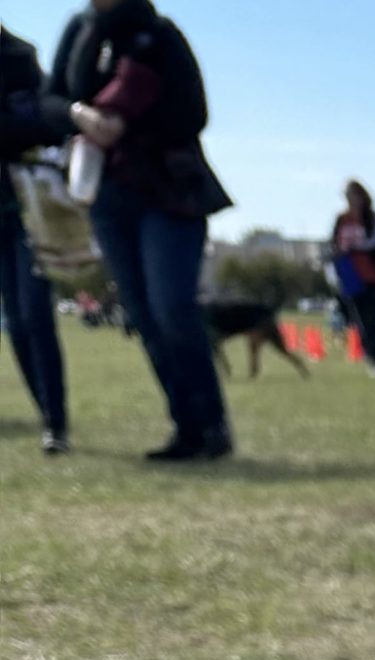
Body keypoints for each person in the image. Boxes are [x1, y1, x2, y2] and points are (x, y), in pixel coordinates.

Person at [48, 0, 231, 460]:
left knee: (171, 305)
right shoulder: (80, 31)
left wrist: (125, 119)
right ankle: (185, 426)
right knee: (144, 316)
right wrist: (80, 115)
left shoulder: (160, 34)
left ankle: (211, 423)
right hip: (106, 193)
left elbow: (195, 113)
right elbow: (49, 99)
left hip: (167, 188)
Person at [0, 21, 70, 452]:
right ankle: (46, 412)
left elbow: (45, 124)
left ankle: (55, 423)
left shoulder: (18, 59)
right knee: (17, 324)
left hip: (27, 208)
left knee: (33, 316)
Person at [330, 179, 375, 374]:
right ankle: (369, 354)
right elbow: (334, 244)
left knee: (372, 319)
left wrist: (356, 247)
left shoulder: (371, 218)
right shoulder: (341, 219)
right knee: (359, 320)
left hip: (371, 276)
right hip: (350, 277)